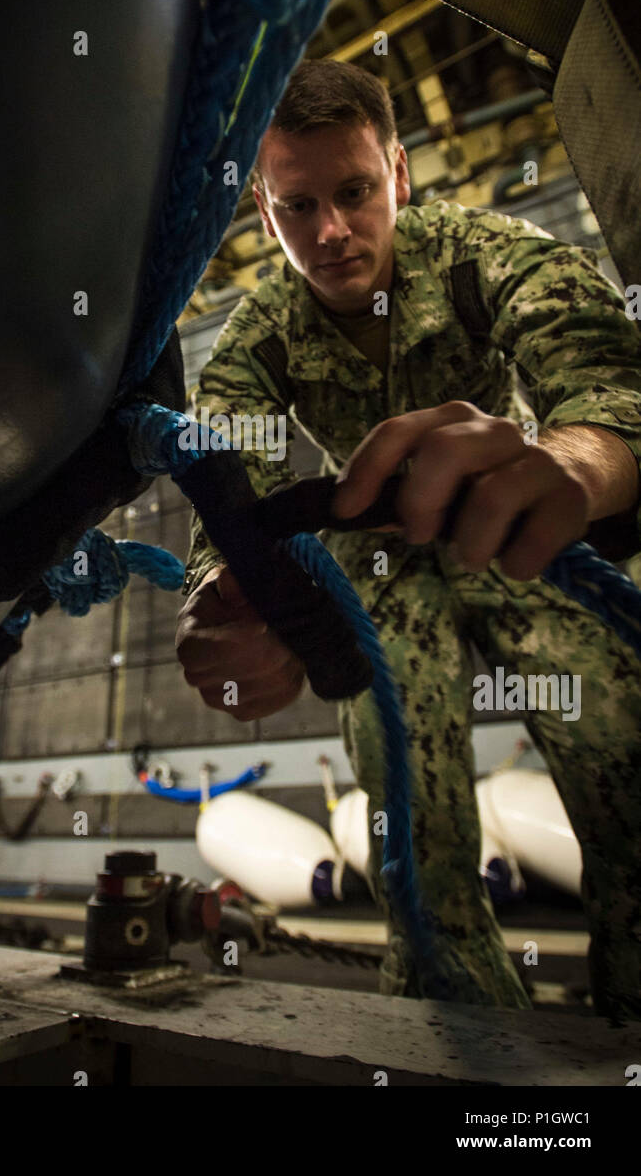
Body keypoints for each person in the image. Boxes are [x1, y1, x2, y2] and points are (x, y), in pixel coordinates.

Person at [175, 58, 641, 1020]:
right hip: (374, 566)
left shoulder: (482, 252)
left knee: (618, 746)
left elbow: (600, 372)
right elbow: (230, 483)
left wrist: (570, 465)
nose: (332, 232)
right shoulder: (256, 336)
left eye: (354, 193)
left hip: (509, 521)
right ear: (265, 216)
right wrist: (231, 598)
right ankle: (458, 1024)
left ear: (399, 173)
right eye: (297, 207)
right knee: (408, 792)